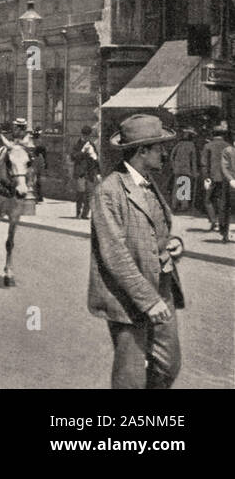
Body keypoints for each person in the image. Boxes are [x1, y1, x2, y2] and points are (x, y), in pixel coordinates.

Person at [88, 113, 186, 389]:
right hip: (127, 298)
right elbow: (114, 254)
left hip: (162, 286)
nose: (164, 154)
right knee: (130, 377)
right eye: (159, 148)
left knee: (168, 365)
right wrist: (147, 301)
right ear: (142, 151)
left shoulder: (148, 181)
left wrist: (172, 244)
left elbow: (153, 230)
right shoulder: (109, 191)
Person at [202, 123, 232, 239]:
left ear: (213, 134)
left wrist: (206, 178)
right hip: (226, 178)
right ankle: (224, 230)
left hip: (212, 177)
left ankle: (214, 220)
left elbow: (204, 164)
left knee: (208, 200)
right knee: (224, 203)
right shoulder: (229, 146)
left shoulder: (208, 146)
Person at [70, 124, 100, 220]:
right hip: (80, 173)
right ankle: (78, 213)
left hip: (90, 173)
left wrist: (94, 157)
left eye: (88, 135)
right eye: (84, 135)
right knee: (80, 193)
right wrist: (83, 151)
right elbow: (73, 157)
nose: (86, 137)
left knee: (89, 194)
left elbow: (96, 159)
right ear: (82, 135)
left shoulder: (91, 145)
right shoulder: (77, 145)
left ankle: (85, 214)